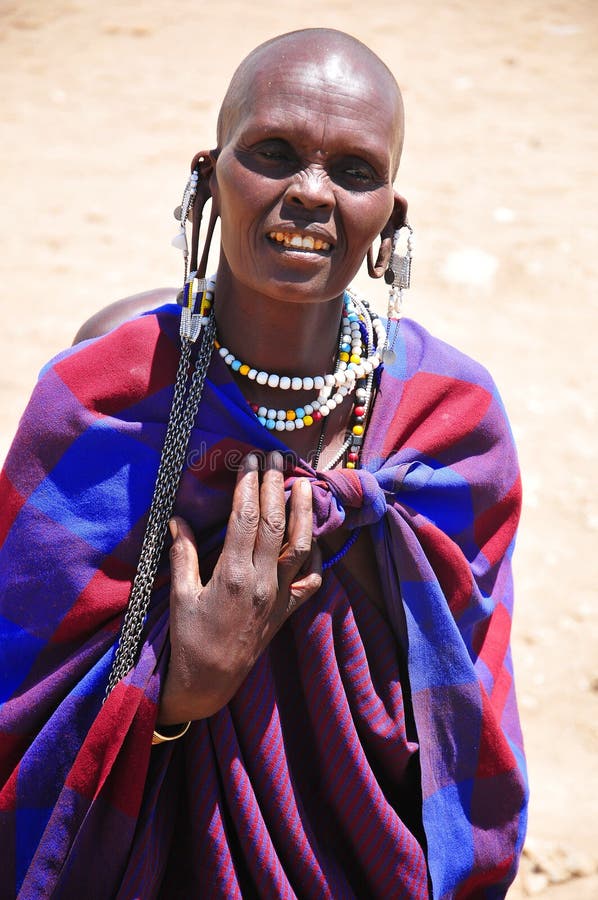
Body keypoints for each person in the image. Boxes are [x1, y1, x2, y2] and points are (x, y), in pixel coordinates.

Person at [0, 28, 528, 899]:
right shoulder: (110, 394)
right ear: (209, 178)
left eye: (354, 171)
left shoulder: (450, 422)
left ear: (391, 216)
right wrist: (177, 692)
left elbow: (462, 715)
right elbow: (22, 705)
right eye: (274, 153)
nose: (311, 194)